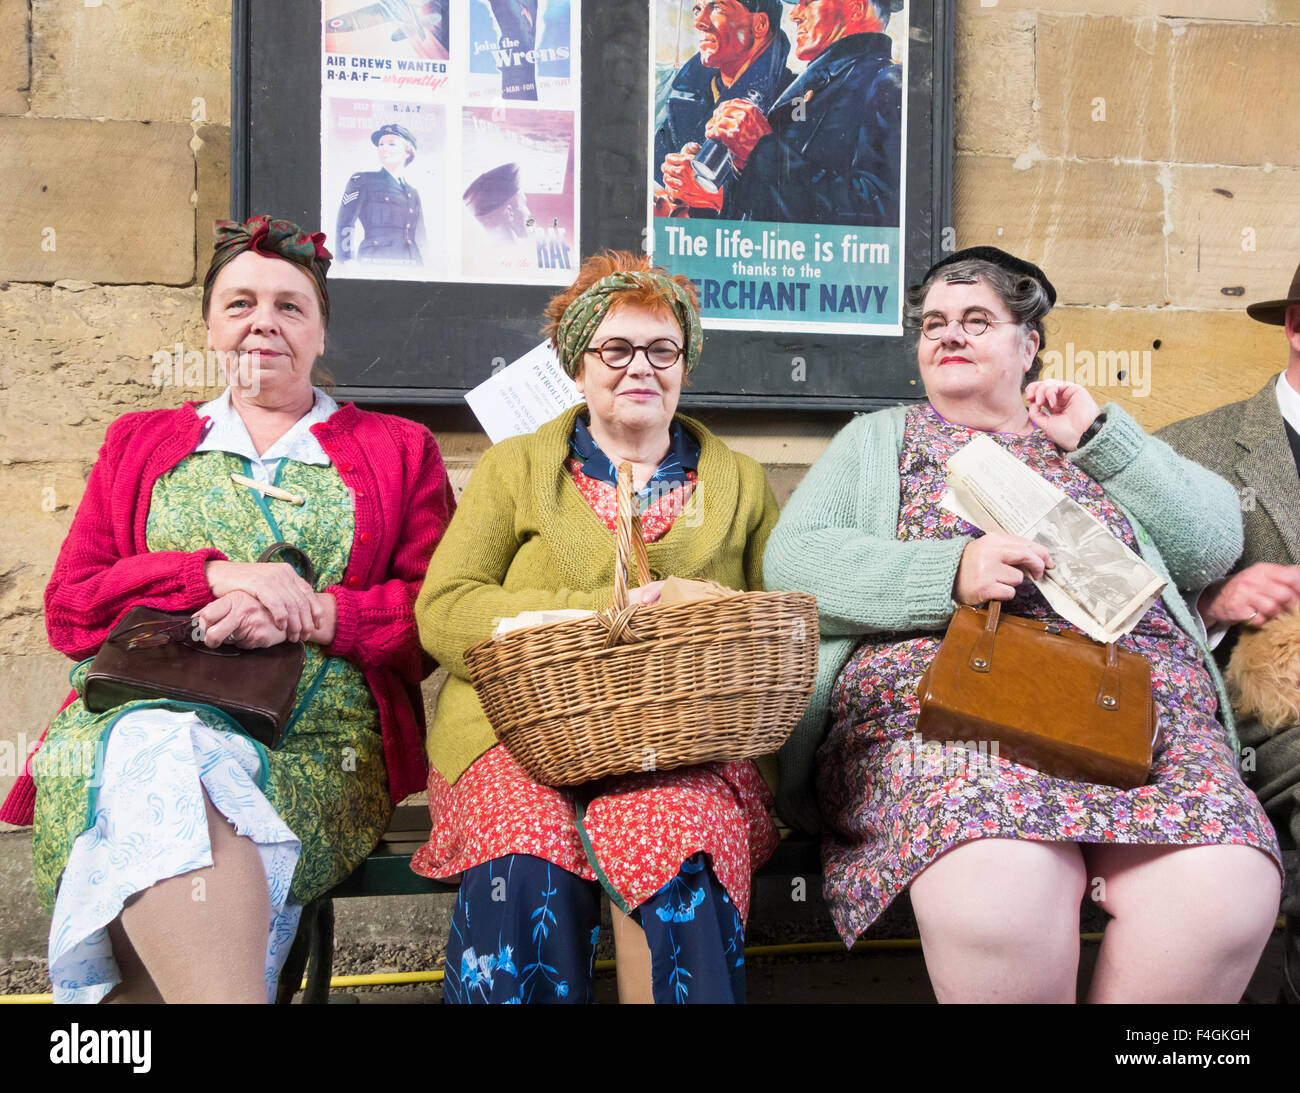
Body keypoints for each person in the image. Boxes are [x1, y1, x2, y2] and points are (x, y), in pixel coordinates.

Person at [762, 244, 1282, 1003]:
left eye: (977, 320)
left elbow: (1211, 540)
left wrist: (1104, 438)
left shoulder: (1088, 439)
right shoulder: (879, 442)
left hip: (1139, 723)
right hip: (946, 723)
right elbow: (796, 562)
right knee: (1002, 883)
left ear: (1029, 344)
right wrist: (948, 574)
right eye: (934, 323)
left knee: (1222, 890)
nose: (949, 335)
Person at [0, 215, 456, 1003]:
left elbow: (433, 620)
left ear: (319, 333)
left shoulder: (399, 448)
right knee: (158, 750)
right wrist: (213, 576)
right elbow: (72, 611)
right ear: (210, 326)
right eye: (240, 303)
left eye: (290, 306)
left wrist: (310, 614)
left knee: (168, 779)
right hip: (132, 711)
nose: (263, 323)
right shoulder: (141, 441)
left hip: (313, 739)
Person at [411, 250, 780, 1004]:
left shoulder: (738, 480)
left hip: (689, 740)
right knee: (528, 855)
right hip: (521, 736)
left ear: (684, 363)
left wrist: (702, 598)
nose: (639, 367)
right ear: (579, 363)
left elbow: (777, 621)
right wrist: (574, 617)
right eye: (615, 348)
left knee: (678, 845)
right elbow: (443, 606)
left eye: (662, 349)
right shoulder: (516, 467)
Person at [1157, 258, 1300, 1003]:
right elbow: (1116, 609)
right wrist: (1215, 602)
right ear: (1296, 326)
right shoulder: (1188, 452)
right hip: (1253, 720)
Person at [661, 0, 901, 226]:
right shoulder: (815, 86)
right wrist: (716, 192)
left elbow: (878, 212)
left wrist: (760, 149)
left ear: (856, 7)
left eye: (807, 2)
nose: (795, 15)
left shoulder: (886, 82)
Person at [653, 0, 794, 197]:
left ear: (759, 25)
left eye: (717, 7)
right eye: (697, 10)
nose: (699, 22)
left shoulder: (797, 99)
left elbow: (800, 199)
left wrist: (716, 196)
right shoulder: (681, 94)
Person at [336, 124, 428, 265]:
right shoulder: (362, 180)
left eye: (391, 144)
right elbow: (345, 222)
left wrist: (425, 264)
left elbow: (420, 235)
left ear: (407, 151)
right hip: (375, 259)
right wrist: (345, 259)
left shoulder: (412, 192)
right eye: (381, 144)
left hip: (411, 261)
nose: (384, 148)